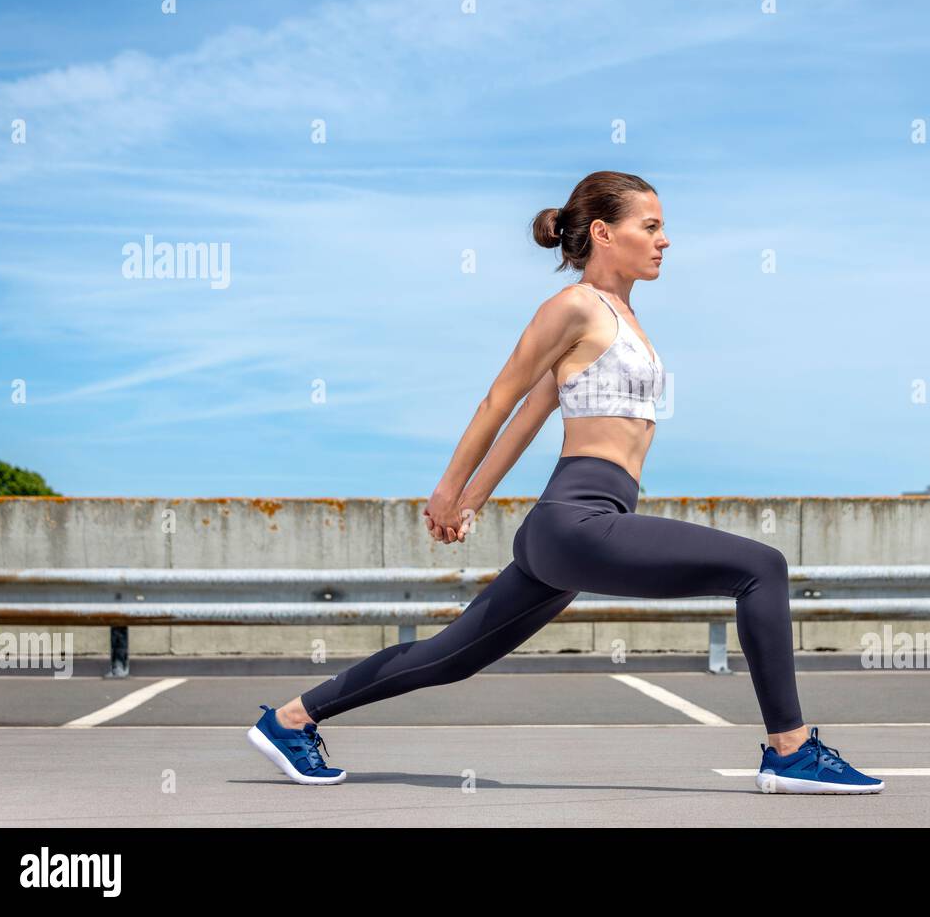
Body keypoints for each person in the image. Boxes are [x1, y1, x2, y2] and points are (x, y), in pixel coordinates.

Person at [247, 170, 884, 795]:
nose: (665, 241)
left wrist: (474, 501)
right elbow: (501, 398)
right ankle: (790, 751)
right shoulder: (575, 306)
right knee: (761, 567)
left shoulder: (622, 318)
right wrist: (447, 491)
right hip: (579, 522)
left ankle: (291, 720)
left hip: (574, 527)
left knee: (450, 657)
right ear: (604, 233)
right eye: (652, 226)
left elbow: (533, 417)